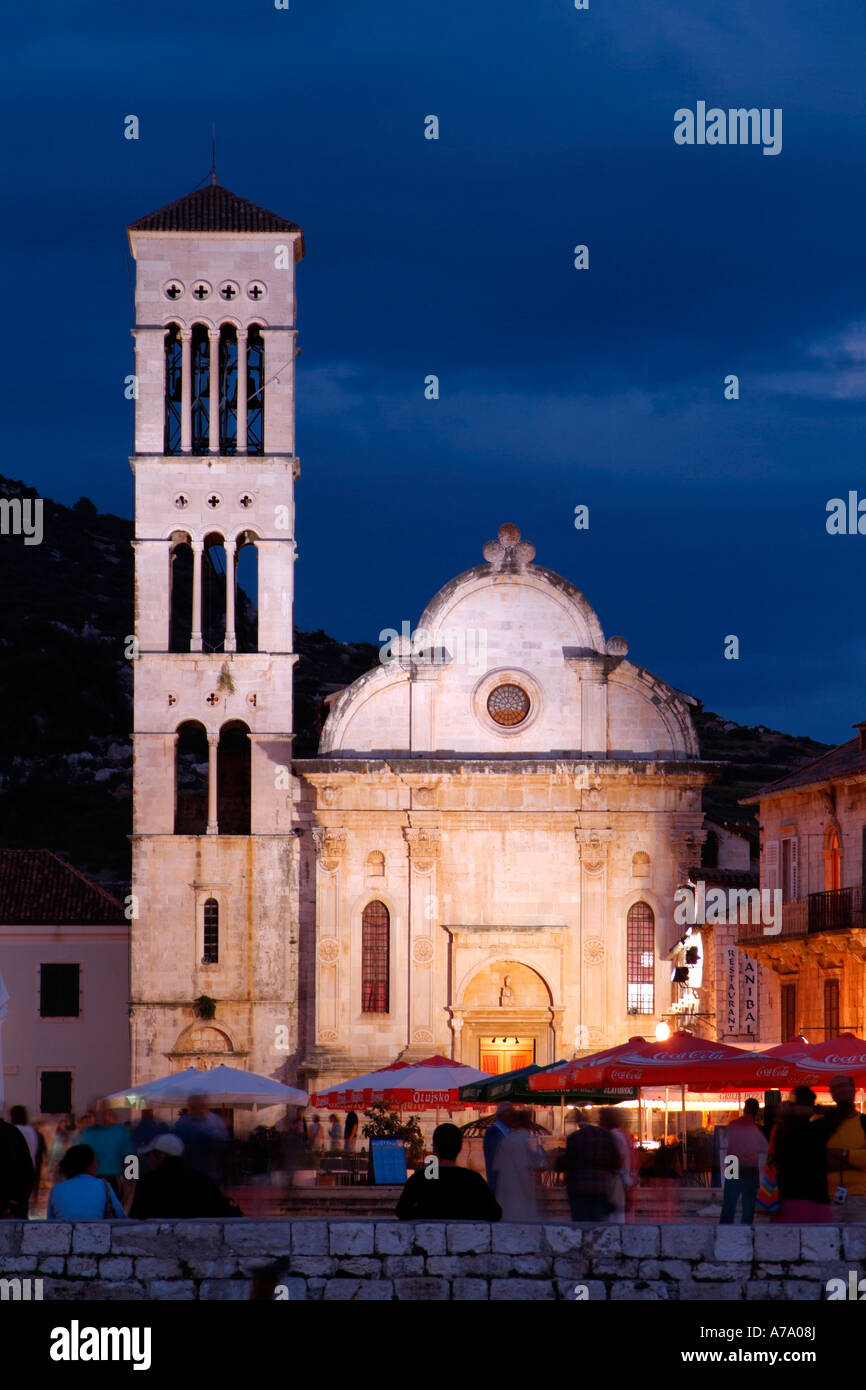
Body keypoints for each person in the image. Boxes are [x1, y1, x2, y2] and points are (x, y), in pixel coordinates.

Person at [396, 1123, 502, 1221]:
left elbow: (402, 1211)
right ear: (459, 1148)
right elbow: (494, 1213)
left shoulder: (420, 1178)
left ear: (434, 1149)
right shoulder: (473, 1179)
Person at [130, 1134, 243, 1218]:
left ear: (161, 1155)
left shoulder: (147, 1183)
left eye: (149, 1155)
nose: (147, 1160)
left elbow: (136, 1216)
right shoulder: (202, 1181)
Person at [770, 1085, 831, 1223]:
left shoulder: (780, 1132)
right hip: (817, 1198)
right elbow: (832, 1115)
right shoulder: (819, 1129)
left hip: (786, 1198)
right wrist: (813, 1110)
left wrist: (791, 1110)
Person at [819, 1073, 866, 1221]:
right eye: (835, 1088)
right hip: (829, 1198)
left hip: (861, 1197)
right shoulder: (824, 1125)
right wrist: (855, 1157)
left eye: (842, 1086)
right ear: (832, 1094)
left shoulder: (865, 1123)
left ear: (853, 1089)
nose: (839, 1090)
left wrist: (841, 1154)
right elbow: (820, 1160)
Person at [562, 1110, 620, 1221]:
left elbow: (567, 1162)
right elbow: (615, 1162)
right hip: (601, 1187)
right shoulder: (606, 1136)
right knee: (598, 1223)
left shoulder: (574, 1137)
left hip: (579, 1188)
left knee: (580, 1223)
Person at [719, 1098, 768, 1226]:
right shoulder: (756, 1128)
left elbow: (726, 1142)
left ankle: (725, 1228)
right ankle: (745, 1229)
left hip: (732, 1162)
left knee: (729, 1200)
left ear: (745, 1109)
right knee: (748, 1202)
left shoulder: (732, 1125)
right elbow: (764, 1147)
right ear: (757, 1112)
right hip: (749, 1165)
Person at [494, 1110, 548, 1220]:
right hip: (520, 1200)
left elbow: (497, 1167)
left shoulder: (506, 1140)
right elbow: (523, 1168)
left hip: (506, 1197)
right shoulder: (525, 1140)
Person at [46, 1144, 125, 1220]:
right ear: (89, 1166)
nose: (97, 1164)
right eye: (95, 1161)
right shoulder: (103, 1186)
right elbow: (120, 1216)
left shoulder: (56, 1190)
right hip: (97, 1232)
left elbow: (51, 1222)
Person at [173, 1095, 229, 1183]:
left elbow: (221, 1145)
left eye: (200, 1105)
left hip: (209, 1171)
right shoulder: (183, 1123)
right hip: (190, 1170)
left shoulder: (214, 1121)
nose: (198, 1109)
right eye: (194, 1106)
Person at [79, 1104, 131, 1196]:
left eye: (93, 1115)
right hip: (94, 1180)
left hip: (114, 1180)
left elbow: (130, 1156)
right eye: (89, 1116)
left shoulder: (119, 1131)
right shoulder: (88, 1134)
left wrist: (132, 1181)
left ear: (105, 1114)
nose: (91, 1119)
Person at [599, 1108, 634, 1223]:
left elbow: (620, 1159)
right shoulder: (619, 1135)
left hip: (614, 1181)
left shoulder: (613, 1136)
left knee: (613, 1219)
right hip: (617, 1181)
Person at [0, 1114, 34, 1218]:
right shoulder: (12, 1132)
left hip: (9, 1209)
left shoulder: (10, 1134)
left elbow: (23, 1170)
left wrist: (13, 1204)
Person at [482, 1103, 514, 1198]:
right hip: (498, 1187)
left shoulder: (506, 1132)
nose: (513, 1117)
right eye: (511, 1114)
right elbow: (496, 1160)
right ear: (503, 1115)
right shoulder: (494, 1132)